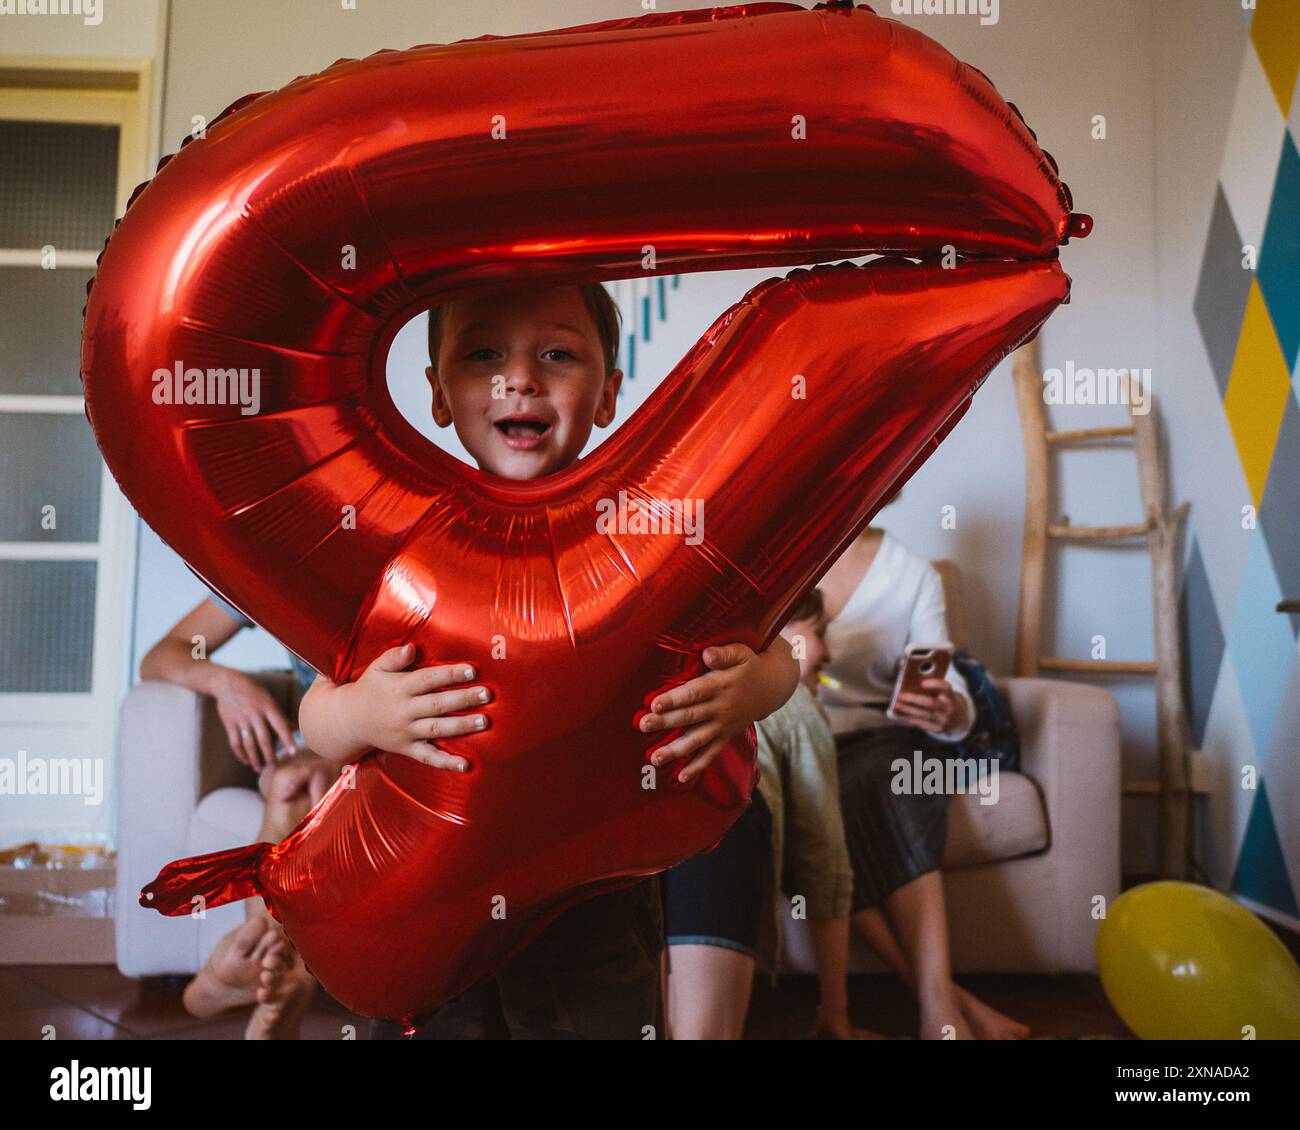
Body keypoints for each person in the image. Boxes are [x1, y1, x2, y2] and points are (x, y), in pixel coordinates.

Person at [298, 281, 800, 1040]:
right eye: (483, 354)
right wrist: (365, 713)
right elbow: (318, 715)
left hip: (593, 902)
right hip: (432, 900)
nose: (520, 379)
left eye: (558, 355)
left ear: (609, 395)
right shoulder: (404, 541)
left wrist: (755, 686)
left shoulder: (642, 527)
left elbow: (779, 651)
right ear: (437, 393)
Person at [817, 522, 1030, 1040]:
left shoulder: (911, 574)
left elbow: (943, 673)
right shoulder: (783, 554)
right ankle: (948, 1004)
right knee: (817, 811)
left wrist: (949, 709)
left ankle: (939, 1008)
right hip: (806, 736)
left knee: (902, 777)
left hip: (887, 736)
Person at [662, 586, 880, 1040]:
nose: (828, 653)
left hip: (636, 824)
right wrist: (836, 1014)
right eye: (819, 631)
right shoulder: (797, 704)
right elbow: (823, 861)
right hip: (721, 818)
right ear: (778, 633)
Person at [139, 598, 339, 1038]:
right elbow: (162, 654)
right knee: (289, 785)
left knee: (296, 783)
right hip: (314, 752)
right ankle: (272, 970)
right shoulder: (268, 572)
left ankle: (255, 979)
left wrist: (344, 755)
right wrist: (226, 683)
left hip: (381, 741)